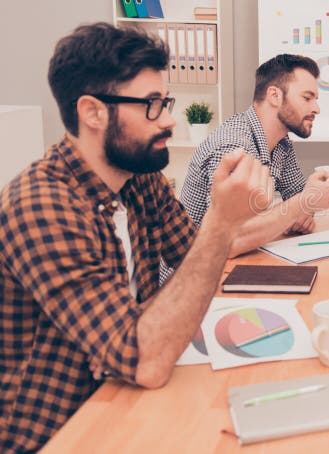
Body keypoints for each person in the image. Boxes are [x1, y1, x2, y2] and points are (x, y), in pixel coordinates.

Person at [0, 23, 270, 452]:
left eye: (165, 102)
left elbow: (194, 259)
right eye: (150, 105)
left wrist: (223, 226)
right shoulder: (40, 206)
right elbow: (145, 361)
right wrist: (221, 221)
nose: (168, 119)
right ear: (92, 112)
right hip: (59, 430)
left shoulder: (139, 178)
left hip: (129, 396)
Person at [180, 54, 329, 258]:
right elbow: (229, 241)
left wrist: (303, 205)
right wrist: (302, 203)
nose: (316, 108)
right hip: (192, 274)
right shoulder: (233, 145)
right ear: (274, 95)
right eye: (307, 98)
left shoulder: (281, 143)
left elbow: (299, 202)